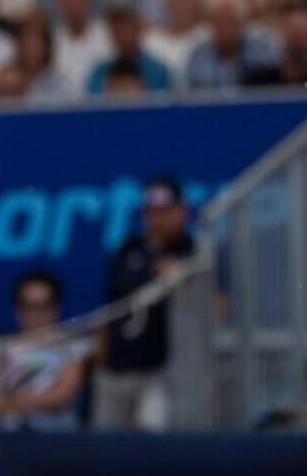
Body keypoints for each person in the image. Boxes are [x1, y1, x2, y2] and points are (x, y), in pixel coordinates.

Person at [95, 179, 194, 433]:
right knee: (106, 448)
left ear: (182, 211)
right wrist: (101, 362)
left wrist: (181, 278)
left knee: (151, 445)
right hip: (116, 370)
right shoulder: (128, 249)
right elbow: (110, 307)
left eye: (165, 212)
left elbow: (219, 306)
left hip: (161, 372)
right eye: (151, 212)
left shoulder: (194, 251)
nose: (157, 219)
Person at [0, 272, 86, 432]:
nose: (35, 315)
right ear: (17, 309)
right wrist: (17, 406)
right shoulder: (1, 349)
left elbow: (64, 395)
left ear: (56, 308)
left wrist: (19, 402)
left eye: (42, 306)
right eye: (27, 306)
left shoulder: (72, 347)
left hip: (56, 434)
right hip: (7, 436)